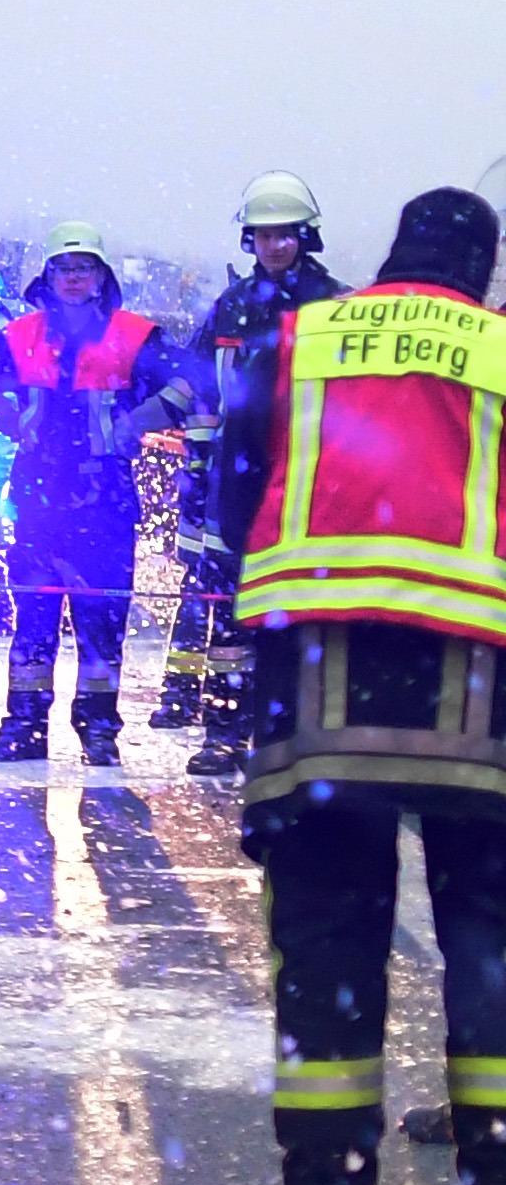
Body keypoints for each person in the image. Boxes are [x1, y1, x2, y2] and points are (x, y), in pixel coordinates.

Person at [208, 185, 506, 1185]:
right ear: (481, 265)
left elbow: (237, 487)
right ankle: (500, 1176)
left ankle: (328, 1184)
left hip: (321, 682)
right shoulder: (501, 350)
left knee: (329, 931)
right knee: (490, 933)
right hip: (484, 693)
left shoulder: (298, 338)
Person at [0, 220, 169, 764]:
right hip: (39, 499)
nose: (73, 277)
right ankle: (24, 727)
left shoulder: (137, 335)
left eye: (83, 267)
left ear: (101, 276)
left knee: (102, 623)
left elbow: (191, 384)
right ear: (48, 277)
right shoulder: (20, 334)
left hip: (105, 501)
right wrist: (7, 418)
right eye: (63, 268)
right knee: (34, 620)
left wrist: (136, 422)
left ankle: (99, 731)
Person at [161, 171, 344, 775]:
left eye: (284, 236)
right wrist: (133, 420)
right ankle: (222, 731)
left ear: (305, 237)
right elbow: (191, 383)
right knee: (232, 611)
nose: (274, 247)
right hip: (233, 487)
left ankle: (286, 739)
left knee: (293, 613)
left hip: (303, 484)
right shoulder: (231, 307)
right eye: (263, 237)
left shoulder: (334, 306)